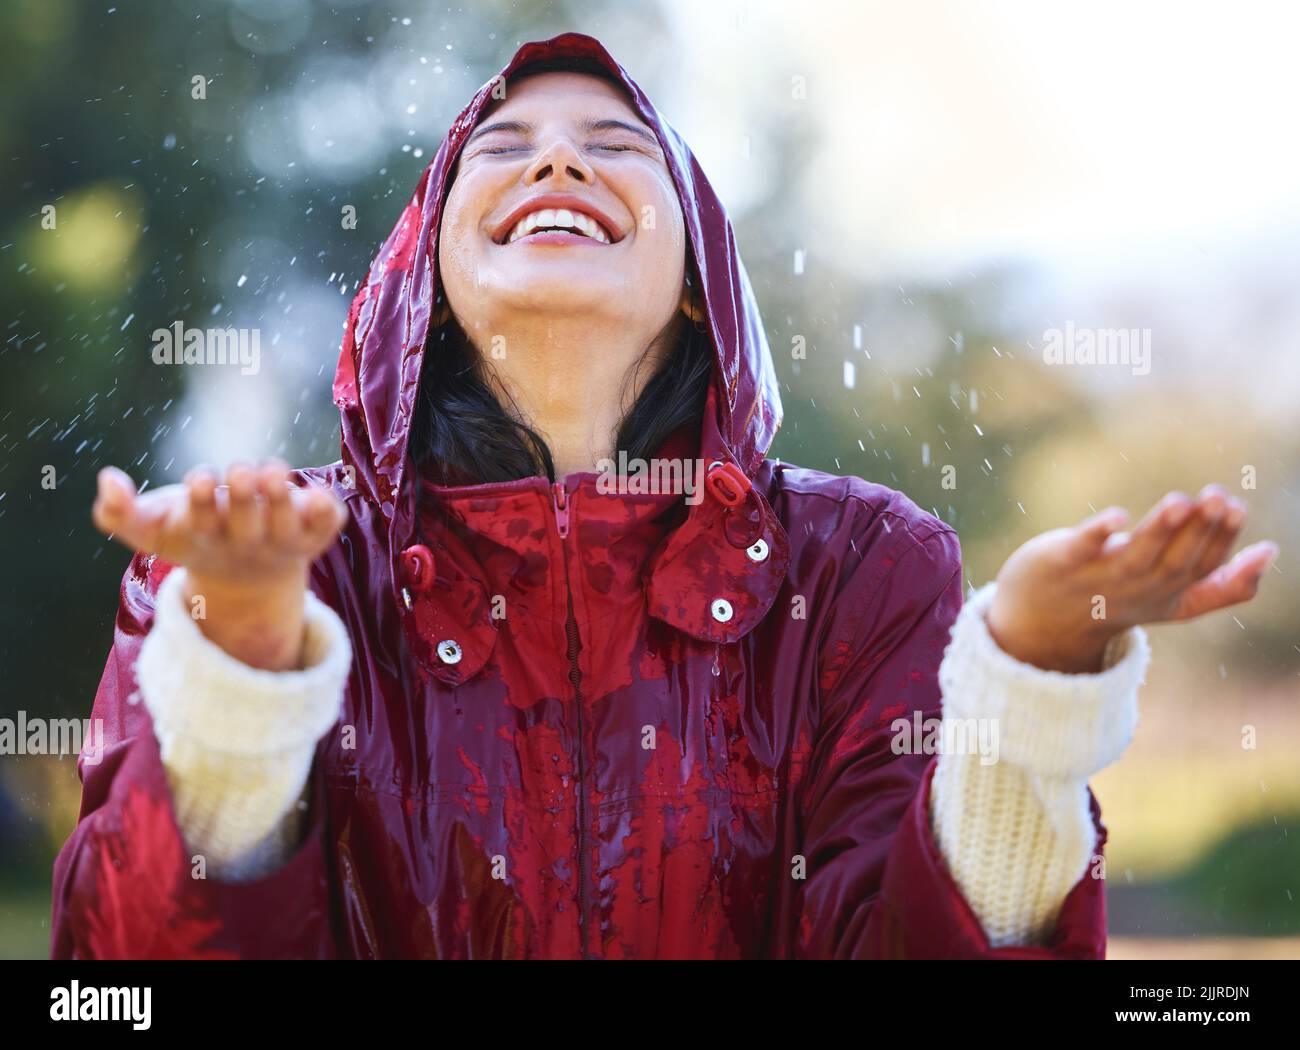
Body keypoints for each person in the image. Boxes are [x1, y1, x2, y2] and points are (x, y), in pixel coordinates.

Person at [52, 33, 1275, 959]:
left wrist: (1036, 692)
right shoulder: (255, 567)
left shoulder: (865, 565)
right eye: (503, 148)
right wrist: (250, 670)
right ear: (428, 268)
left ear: (698, 281)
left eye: (616, 145)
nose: (559, 154)